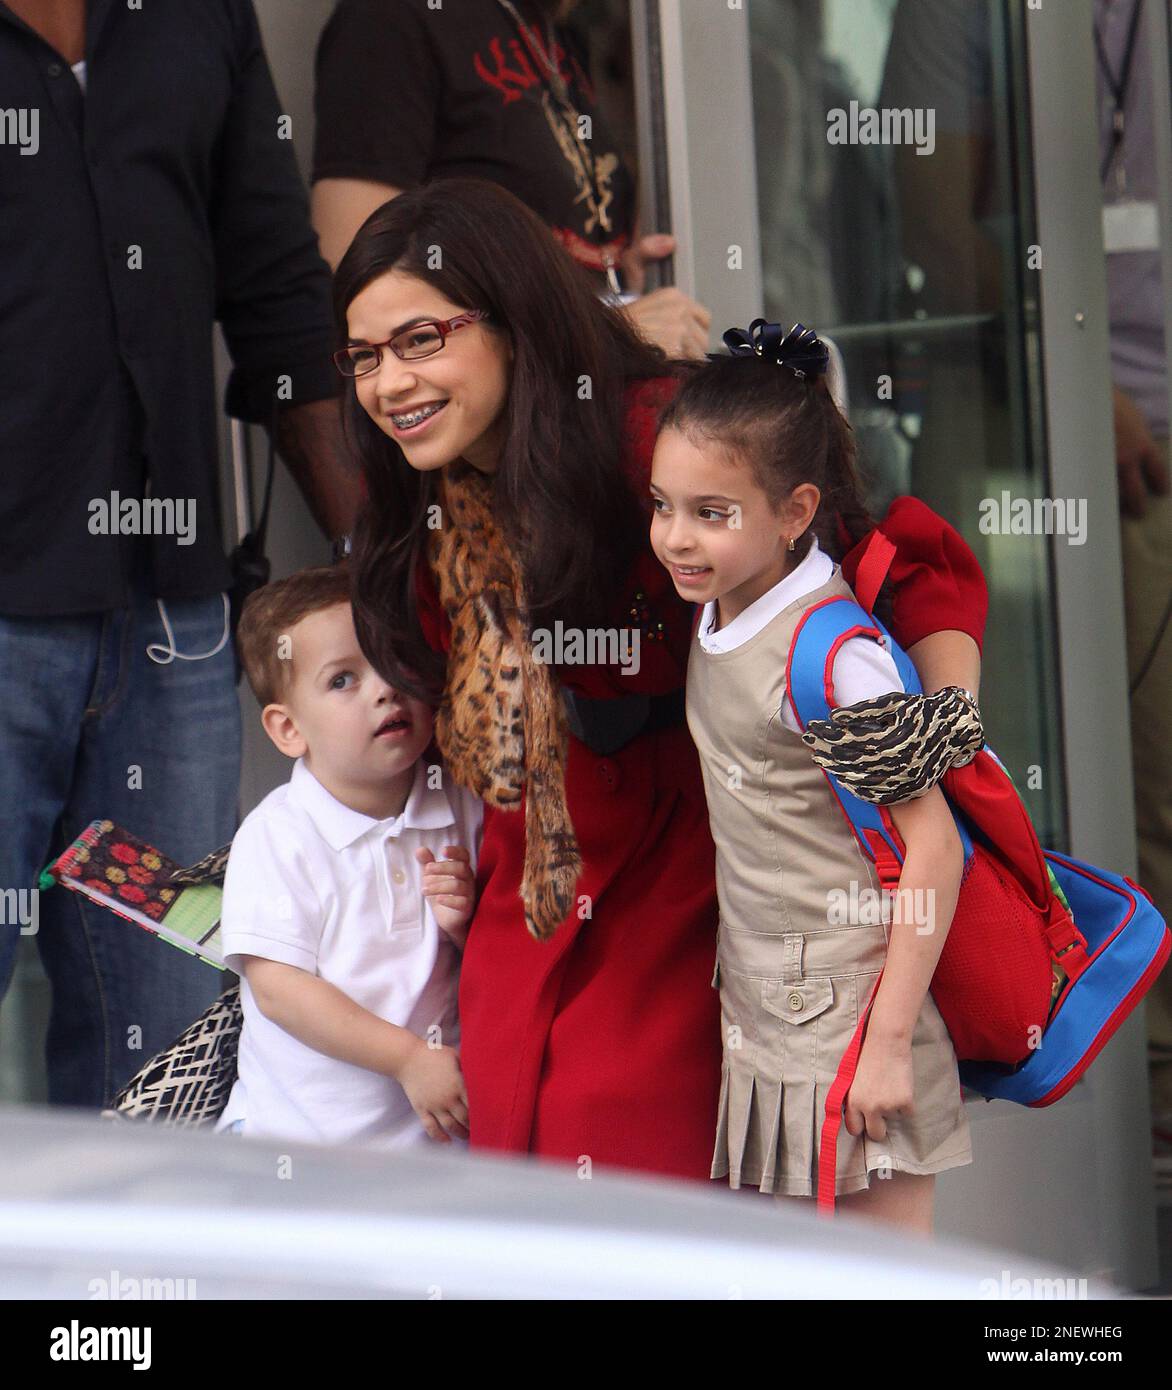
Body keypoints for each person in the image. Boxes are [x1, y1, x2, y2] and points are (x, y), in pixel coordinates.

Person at [337, 177, 987, 1182]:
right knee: (513, 1155)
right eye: (365, 356)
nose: (388, 382)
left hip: (705, 845)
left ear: (513, 323)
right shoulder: (421, 483)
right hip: (538, 860)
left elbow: (896, 570)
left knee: (628, 1149)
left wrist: (934, 762)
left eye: (421, 339)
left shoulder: (651, 432)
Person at [0, 0, 362, 1107]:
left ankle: (122, 1290)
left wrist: (376, 558)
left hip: (172, 632)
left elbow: (279, 300)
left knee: (165, 1064)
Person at [650, 321, 972, 1233]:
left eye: (712, 513)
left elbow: (933, 850)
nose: (676, 537)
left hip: (860, 1018)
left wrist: (888, 1047)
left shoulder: (832, 658)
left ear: (794, 513)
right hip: (770, 1013)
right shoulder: (723, 610)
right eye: (662, 504)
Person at [215, 566, 483, 1148]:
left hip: (426, 1146)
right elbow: (280, 990)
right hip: (297, 1149)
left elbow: (488, 961)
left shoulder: (461, 803)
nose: (384, 687)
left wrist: (466, 926)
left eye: (396, 659)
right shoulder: (278, 836)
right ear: (288, 729)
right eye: (343, 680)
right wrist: (409, 1059)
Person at [311, 0, 710, 358]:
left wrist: (616, 274)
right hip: (496, 423)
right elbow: (359, 285)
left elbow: (542, 244)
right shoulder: (390, 19)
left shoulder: (554, 31)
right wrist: (607, 330)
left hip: (578, 404)